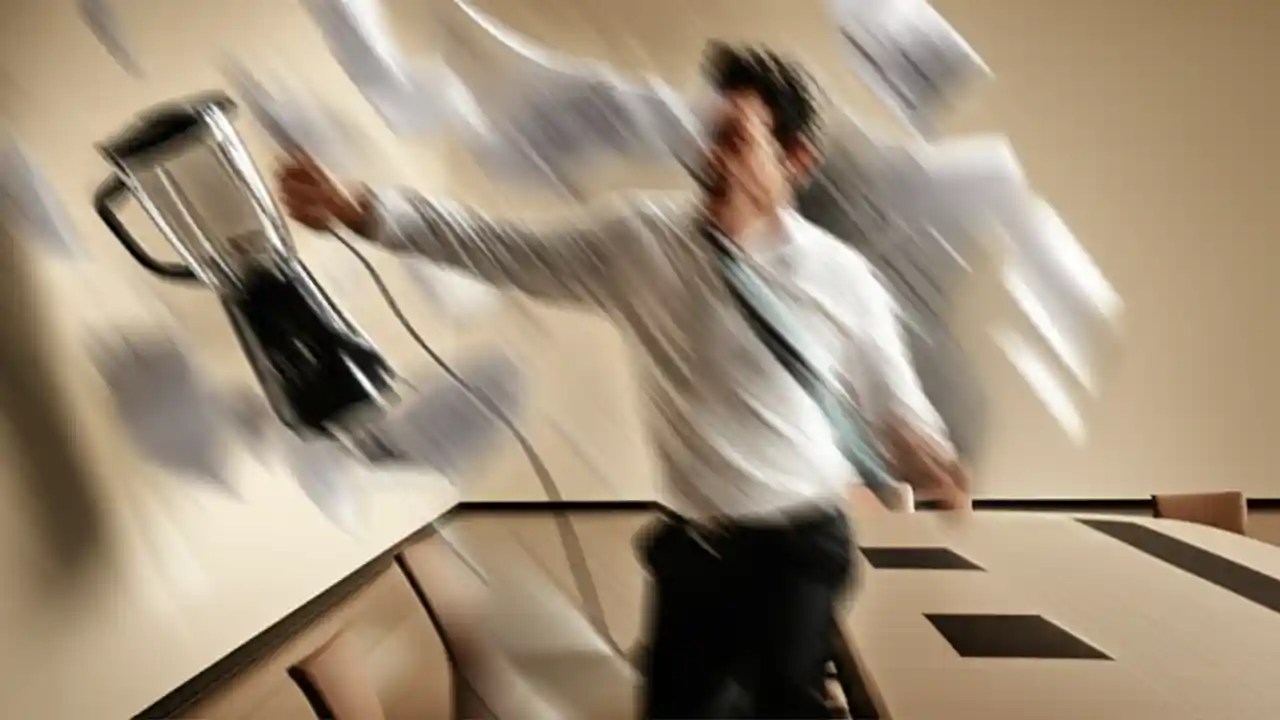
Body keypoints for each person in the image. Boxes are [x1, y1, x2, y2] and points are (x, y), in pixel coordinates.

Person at [278, 42, 968, 719]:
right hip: (694, 553)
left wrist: (932, 461)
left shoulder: (843, 278)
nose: (710, 156)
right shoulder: (642, 241)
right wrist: (361, 207)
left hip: (798, 548)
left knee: (788, 705)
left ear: (795, 160)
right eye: (706, 136)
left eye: (734, 139)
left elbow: (897, 411)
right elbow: (497, 248)